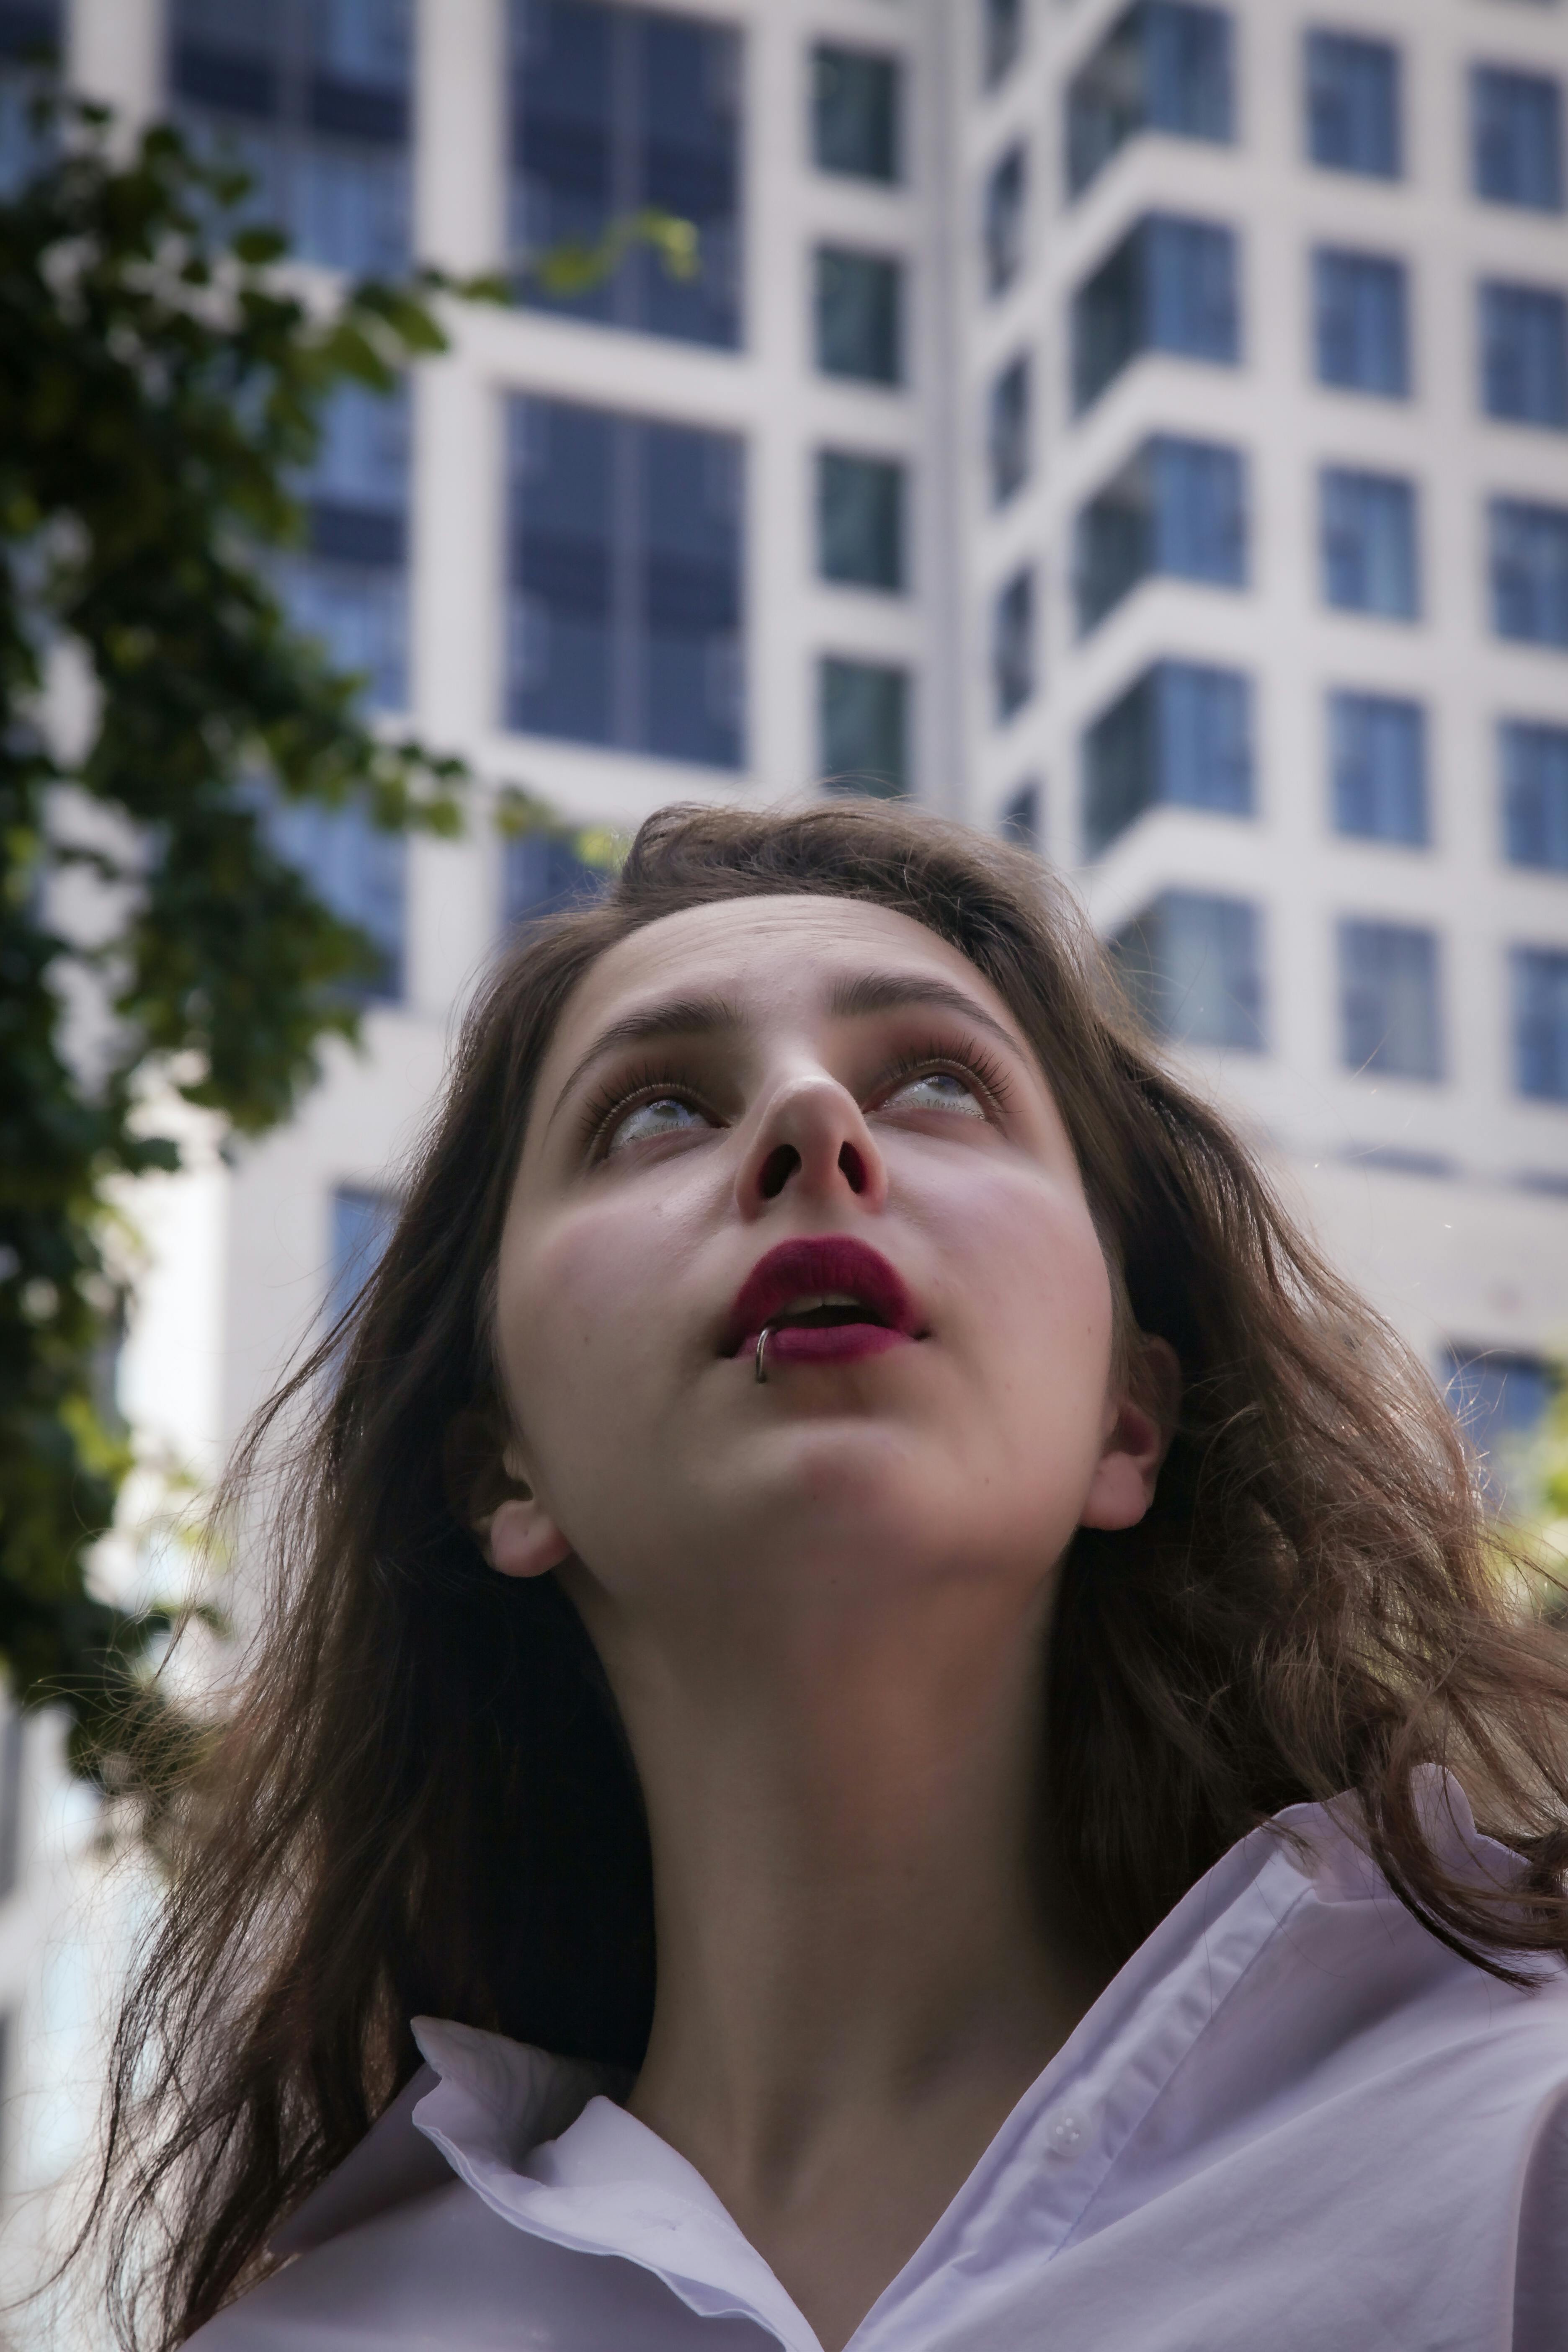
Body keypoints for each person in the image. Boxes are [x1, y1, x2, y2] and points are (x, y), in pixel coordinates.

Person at [99, 802, 1568, 2351]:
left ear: (1126, 1420)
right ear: (503, 1468)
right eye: (655, 1112)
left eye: (940, 1085)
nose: (810, 1121)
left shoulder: (1518, 2150)